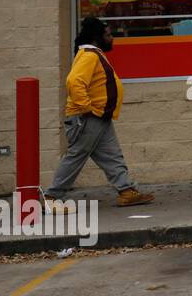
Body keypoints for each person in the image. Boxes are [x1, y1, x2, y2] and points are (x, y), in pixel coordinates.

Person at [44, 17, 155, 210]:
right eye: (108, 35)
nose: (112, 38)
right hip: (88, 118)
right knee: (77, 155)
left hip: (99, 117)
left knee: (112, 155)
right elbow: (74, 82)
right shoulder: (89, 55)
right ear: (97, 37)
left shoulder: (94, 54)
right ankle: (51, 197)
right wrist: (87, 108)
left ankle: (126, 191)